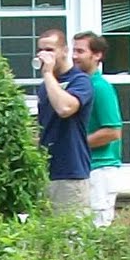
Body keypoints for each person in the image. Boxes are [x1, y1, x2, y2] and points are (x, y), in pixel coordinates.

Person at [34, 28, 93, 215]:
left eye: (50, 50)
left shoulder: (80, 81)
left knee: (71, 230)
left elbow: (65, 109)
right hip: (45, 172)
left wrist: (48, 74)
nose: (44, 55)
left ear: (65, 51)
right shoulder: (45, 86)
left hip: (71, 172)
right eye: (40, 50)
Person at [73, 32, 123, 226]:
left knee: (97, 230)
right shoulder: (80, 85)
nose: (74, 56)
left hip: (100, 170)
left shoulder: (101, 88)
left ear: (97, 55)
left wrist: (74, 145)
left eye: (80, 51)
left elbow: (112, 132)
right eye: (73, 51)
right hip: (83, 169)